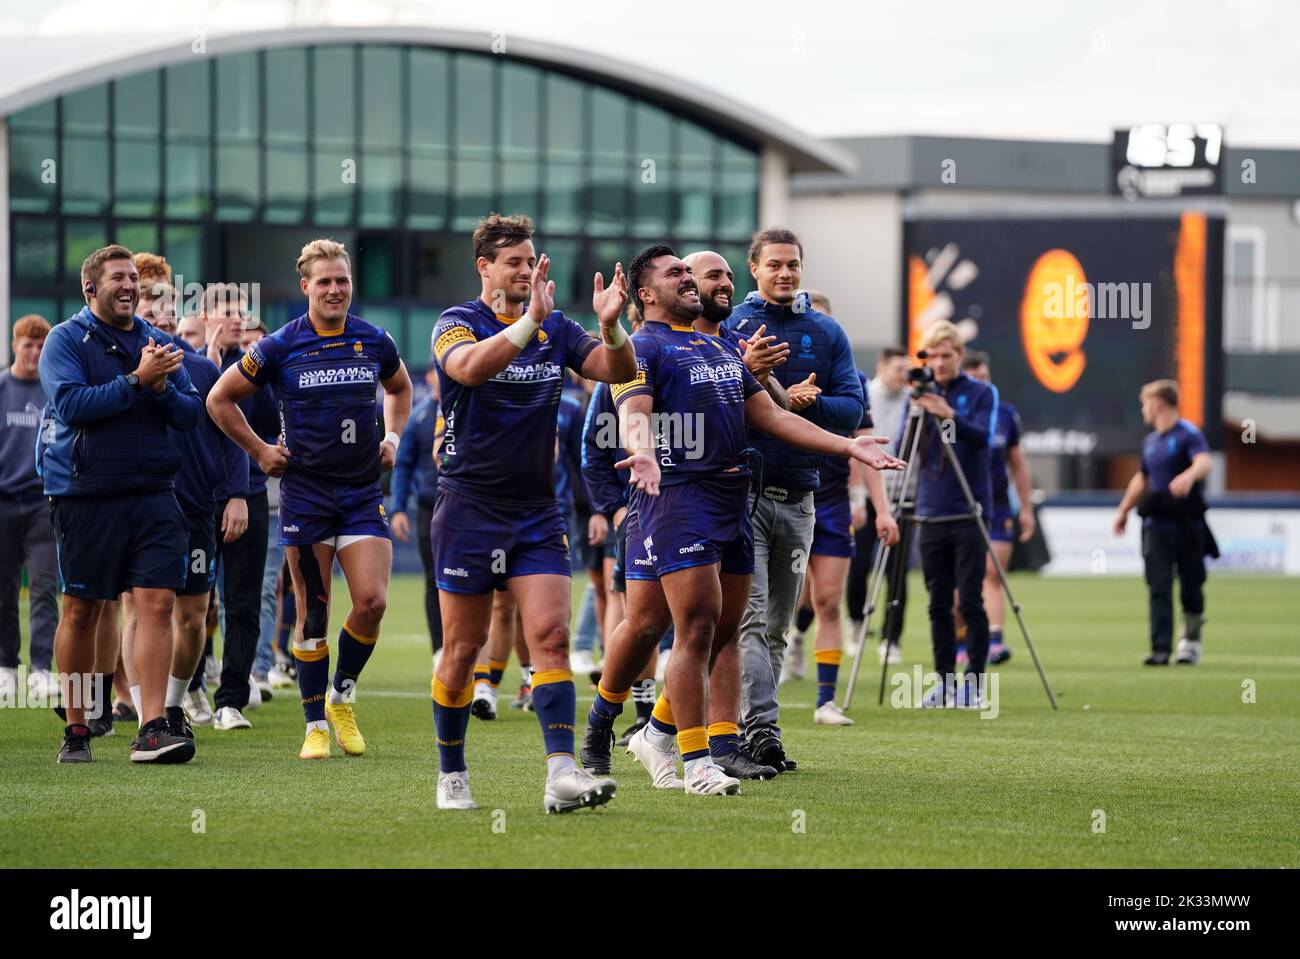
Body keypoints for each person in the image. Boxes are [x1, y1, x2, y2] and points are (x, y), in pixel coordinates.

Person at [581, 245, 903, 796]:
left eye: (690, 272)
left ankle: (648, 733)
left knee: (717, 629)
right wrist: (640, 451)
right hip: (675, 497)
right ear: (646, 294)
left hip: (733, 496)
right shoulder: (641, 348)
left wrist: (849, 447)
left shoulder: (724, 347)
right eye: (675, 273)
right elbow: (632, 412)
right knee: (688, 626)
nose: (688, 278)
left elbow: (774, 417)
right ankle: (695, 759)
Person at [428, 212, 635, 813]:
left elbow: (618, 371)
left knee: (551, 636)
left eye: (531, 260)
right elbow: (468, 368)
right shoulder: (456, 323)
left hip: (536, 511)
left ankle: (561, 775)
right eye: (514, 262)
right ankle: (451, 773)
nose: (526, 270)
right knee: (463, 649)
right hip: (468, 507)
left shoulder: (557, 326)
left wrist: (612, 324)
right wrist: (526, 325)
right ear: (484, 267)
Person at [208, 237, 413, 759]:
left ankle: (342, 696)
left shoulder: (374, 340)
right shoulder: (278, 345)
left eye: (342, 280)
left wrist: (391, 438)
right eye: (324, 281)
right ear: (306, 286)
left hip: (363, 490)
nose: (334, 289)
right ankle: (315, 722)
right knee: (314, 611)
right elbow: (219, 398)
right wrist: (258, 450)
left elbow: (400, 389)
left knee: (372, 602)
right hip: (306, 494)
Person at [39, 244, 202, 763]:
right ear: (91, 288)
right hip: (87, 496)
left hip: (155, 495)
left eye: (133, 277)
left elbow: (188, 414)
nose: (130, 285)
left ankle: (153, 726)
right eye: (118, 278)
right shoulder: (64, 340)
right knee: (82, 611)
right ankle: (79, 728)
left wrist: (155, 387)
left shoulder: (157, 341)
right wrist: (136, 381)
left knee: (156, 604)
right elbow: (72, 405)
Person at [723, 227, 866, 771]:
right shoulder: (732, 325)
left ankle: (745, 726)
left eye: (794, 265)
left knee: (778, 626)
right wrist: (759, 384)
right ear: (754, 268)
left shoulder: (826, 333)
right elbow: (716, 405)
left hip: (803, 498)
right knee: (751, 620)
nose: (785, 274)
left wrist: (802, 403)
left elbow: (851, 413)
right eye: (775, 265)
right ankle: (762, 732)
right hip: (746, 495)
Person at [905, 321, 997, 707]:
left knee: (970, 600)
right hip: (930, 510)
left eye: (946, 355)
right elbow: (904, 446)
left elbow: (984, 438)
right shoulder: (922, 394)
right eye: (933, 356)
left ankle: (974, 682)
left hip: (969, 509)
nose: (939, 363)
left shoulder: (980, 393)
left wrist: (948, 415)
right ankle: (944, 680)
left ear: (959, 355)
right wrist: (918, 411)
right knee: (937, 601)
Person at [201, 284, 279, 729]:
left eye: (240, 313)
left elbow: (269, 422)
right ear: (207, 317)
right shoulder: (187, 358)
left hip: (248, 495)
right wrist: (210, 351)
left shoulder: (251, 368)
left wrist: (252, 361)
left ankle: (231, 696)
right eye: (225, 313)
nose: (235, 320)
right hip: (196, 498)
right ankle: (185, 690)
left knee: (244, 598)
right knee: (191, 603)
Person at [1113, 380, 1215, 666]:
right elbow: (1142, 478)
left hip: (1187, 524)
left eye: (1145, 404)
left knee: (1191, 585)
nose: (1144, 410)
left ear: (1157, 404)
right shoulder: (1150, 442)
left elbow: (1204, 461)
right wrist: (1123, 509)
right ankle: (1160, 648)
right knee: (1158, 585)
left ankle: (1190, 642)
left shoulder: (1187, 434)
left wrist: (1190, 475)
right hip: (1156, 526)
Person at [961, 351, 1035, 664]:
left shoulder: (1005, 415)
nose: (982, 385)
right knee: (961, 577)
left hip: (999, 506)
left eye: (985, 379)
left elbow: (1018, 465)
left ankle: (994, 639)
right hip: (961, 504)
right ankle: (961, 641)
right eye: (975, 379)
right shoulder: (956, 412)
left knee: (993, 572)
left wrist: (1027, 509)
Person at [0, 315, 58, 705]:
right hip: (4, 500)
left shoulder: (52, 387)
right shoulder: (2, 387)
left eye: (41, 346)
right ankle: (6, 666)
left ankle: (41, 668)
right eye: (28, 345)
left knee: (43, 588)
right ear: (15, 345)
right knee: (4, 591)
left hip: (43, 502)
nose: (35, 352)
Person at [853, 346, 911, 663]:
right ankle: (857, 621)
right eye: (898, 369)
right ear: (882, 366)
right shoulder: (866, 393)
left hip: (903, 495)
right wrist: (857, 496)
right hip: (869, 492)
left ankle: (891, 638)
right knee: (859, 564)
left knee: (897, 572)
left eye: (907, 369)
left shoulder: (914, 401)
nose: (904, 376)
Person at [390, 364, 443, 662]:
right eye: (437, 371)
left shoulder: (468, 404)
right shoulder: (420, 416)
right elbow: (403, 465)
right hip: (429, 508)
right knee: (433, 579)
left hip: (466, 508)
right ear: (430, 377)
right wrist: (398, 508)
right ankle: (440, 649)